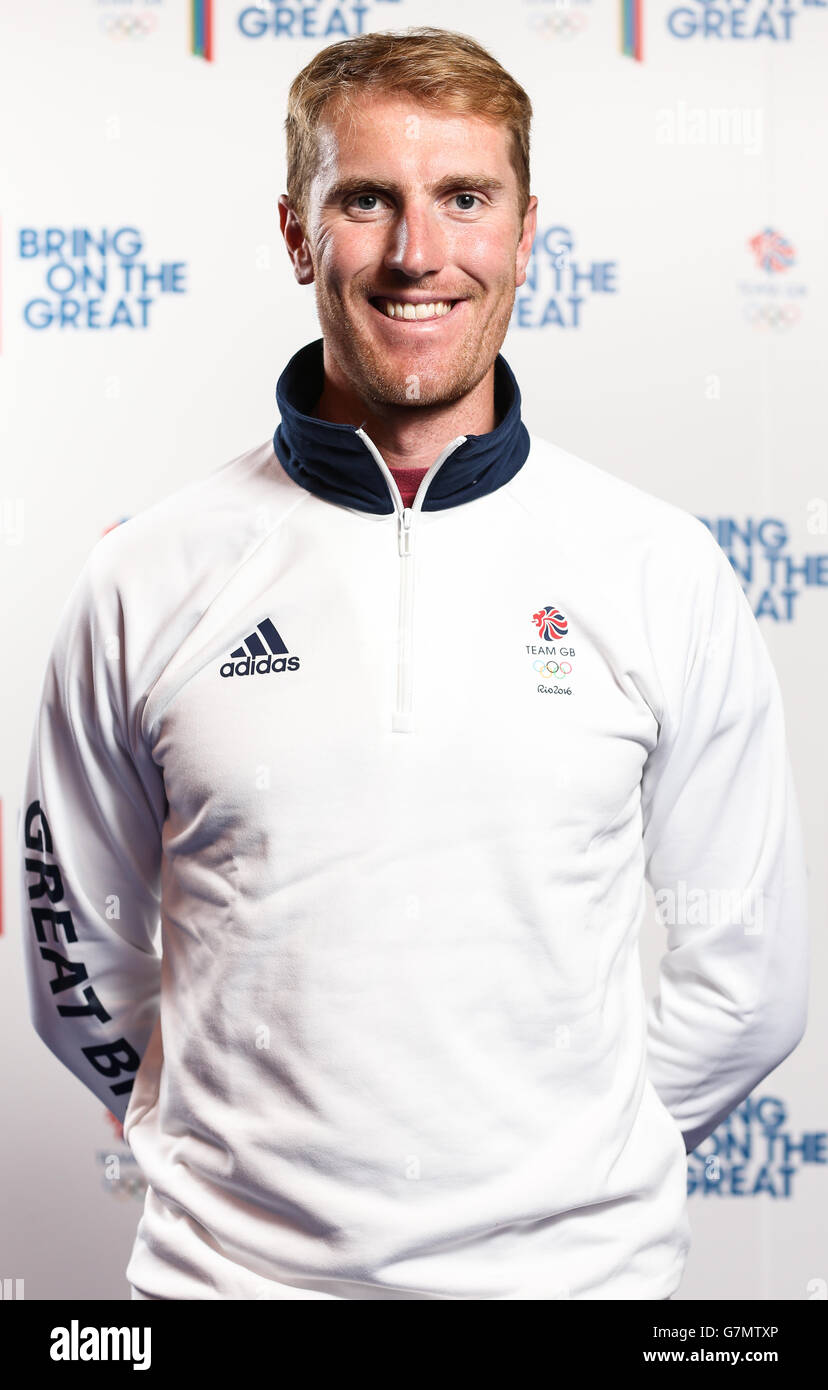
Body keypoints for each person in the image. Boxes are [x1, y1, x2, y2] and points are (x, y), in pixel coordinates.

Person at [19, 26, 809, 1302]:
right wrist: (230, 1157)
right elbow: (79, 969)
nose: (418, 254)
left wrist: (576, 1177)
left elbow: (752, 983)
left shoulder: (658, 567)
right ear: (296, 234)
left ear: (526, 231)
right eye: (368, 199)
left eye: (465, 199)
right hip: (229, 1289)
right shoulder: (144, 578)